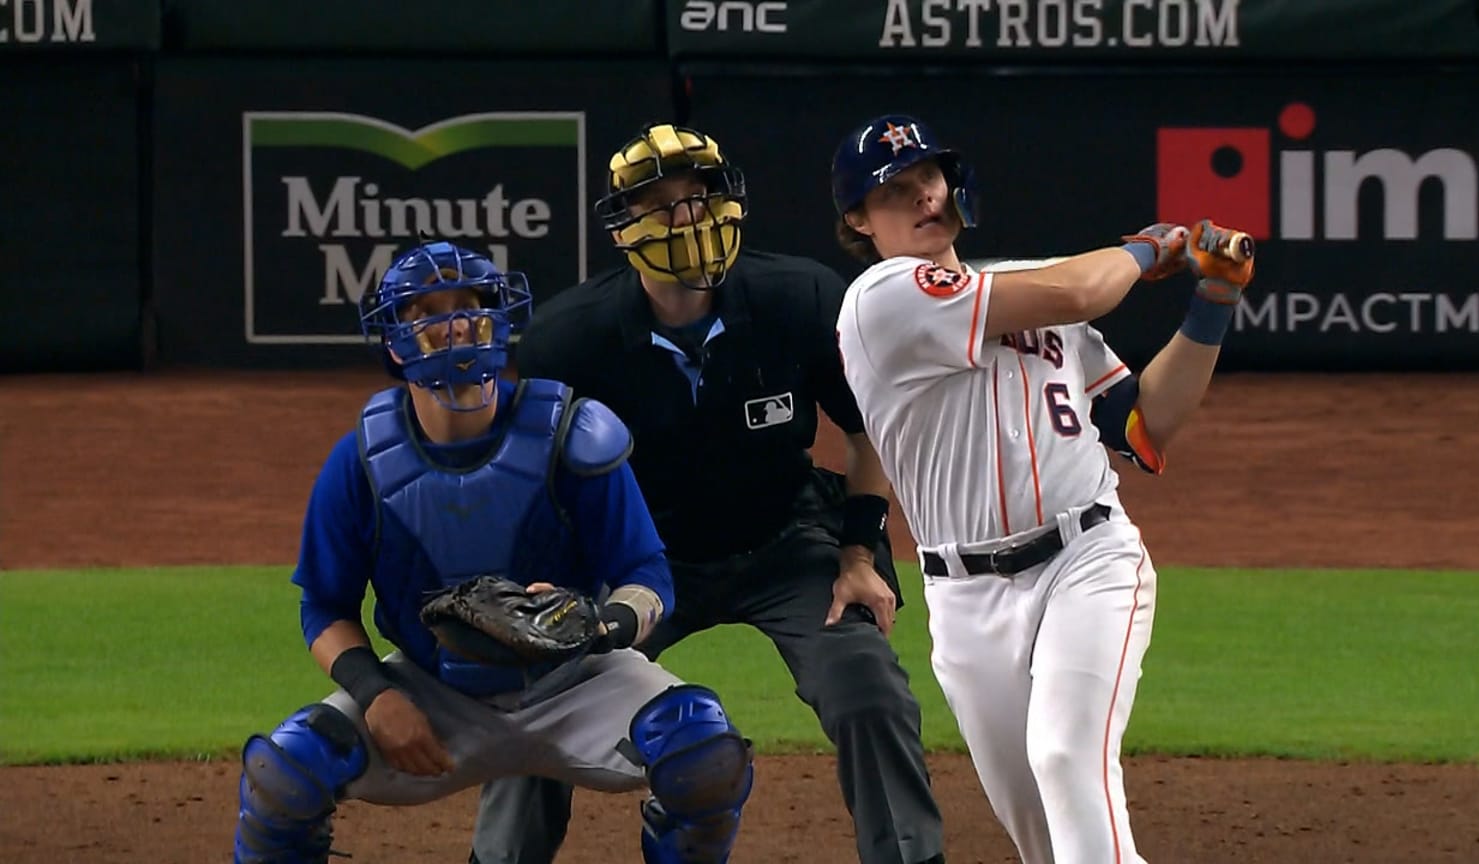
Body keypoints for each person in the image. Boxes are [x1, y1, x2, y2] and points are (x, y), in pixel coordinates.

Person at [467, 123, 947, 864]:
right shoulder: (569, 342)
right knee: (548, 692)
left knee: (866, 686)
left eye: (700, 197)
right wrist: (551, 585)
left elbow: (869, 435)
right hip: (639, 561)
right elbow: (530, 482)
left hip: (786, 541)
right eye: (662, 204)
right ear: (624, 230)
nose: (688, 216)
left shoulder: (800, 298)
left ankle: (913, 858)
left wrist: (859, 552)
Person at [230, 240, 755, 864]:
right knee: (285, 776)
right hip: (432, 691)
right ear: (396, 342)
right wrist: (378, 694)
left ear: (499, 321)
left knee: (701, 751)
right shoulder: (361, 463)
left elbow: (646, 575)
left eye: (470, 307)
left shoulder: (572, 434)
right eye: (430, 309)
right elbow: (324, 606)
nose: (454, 323)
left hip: (574, 683)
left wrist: (603, 623)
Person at [827, 114, 1255, 863]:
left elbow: (1143, 426)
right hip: (963, 601)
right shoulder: (881, 300)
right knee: (1041, 836)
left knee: (1066, 759)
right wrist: (1144, 248)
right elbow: (1087, 287)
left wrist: (1211, 303)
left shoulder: (1034, 288)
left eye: (929, 176)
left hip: (1085, 561)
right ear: (859, 220)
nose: (925, 196)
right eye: (895, 190)